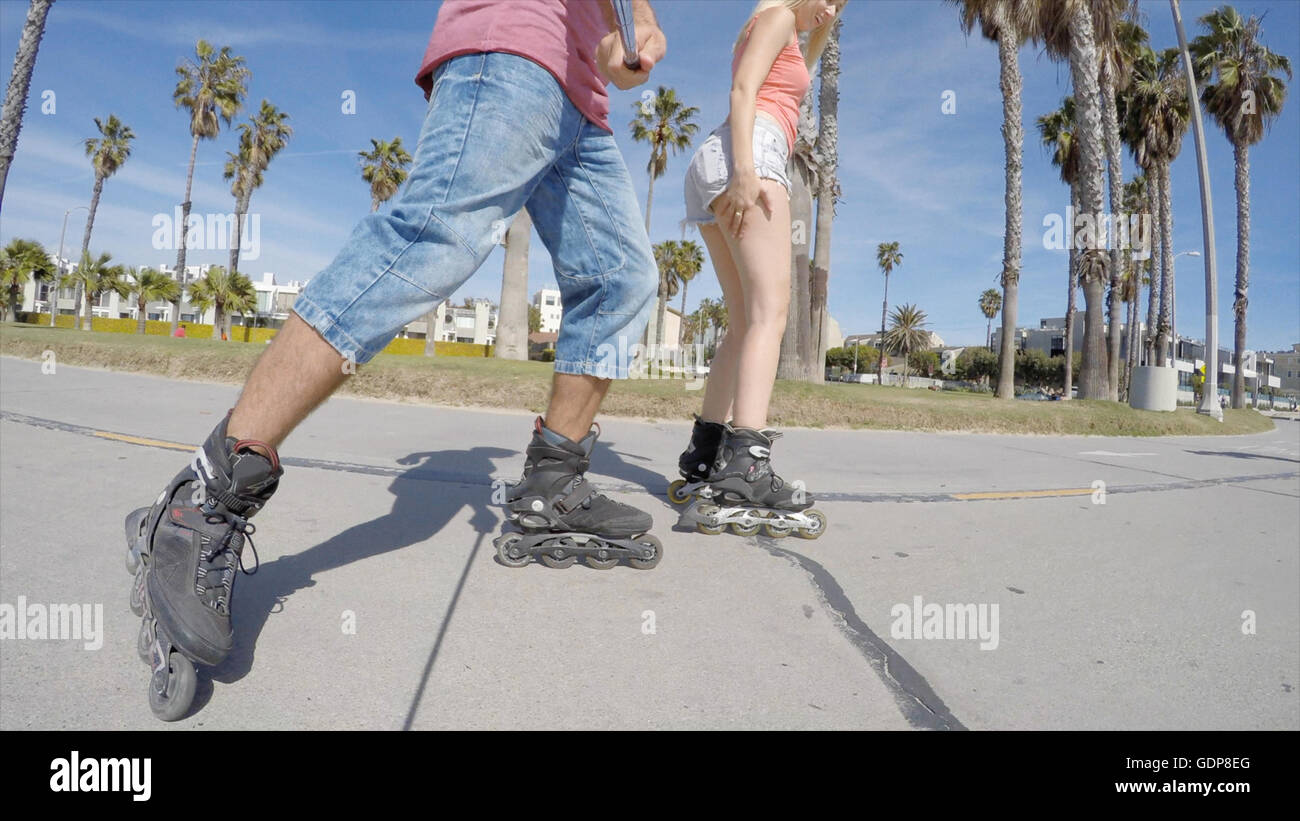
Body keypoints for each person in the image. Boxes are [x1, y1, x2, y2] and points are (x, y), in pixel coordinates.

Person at [124, 0, 668, 719]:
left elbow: (631, 41)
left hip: (584, 105)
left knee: (623, 278)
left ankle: (553, 481)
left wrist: (637, 44)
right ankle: (206, 495)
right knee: (431, 240)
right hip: (512, 53)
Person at [669, 0, 843, 539]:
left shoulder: (783, 28)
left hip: (716, 161)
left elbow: (801, 74)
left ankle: (707, 453)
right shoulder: (778, 20)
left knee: (744, 320)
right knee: (772, 314)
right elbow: (743, 91)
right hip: (750, 152)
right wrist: (746, 170)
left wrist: (828, 20)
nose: (832, 8)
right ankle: (745, 466)